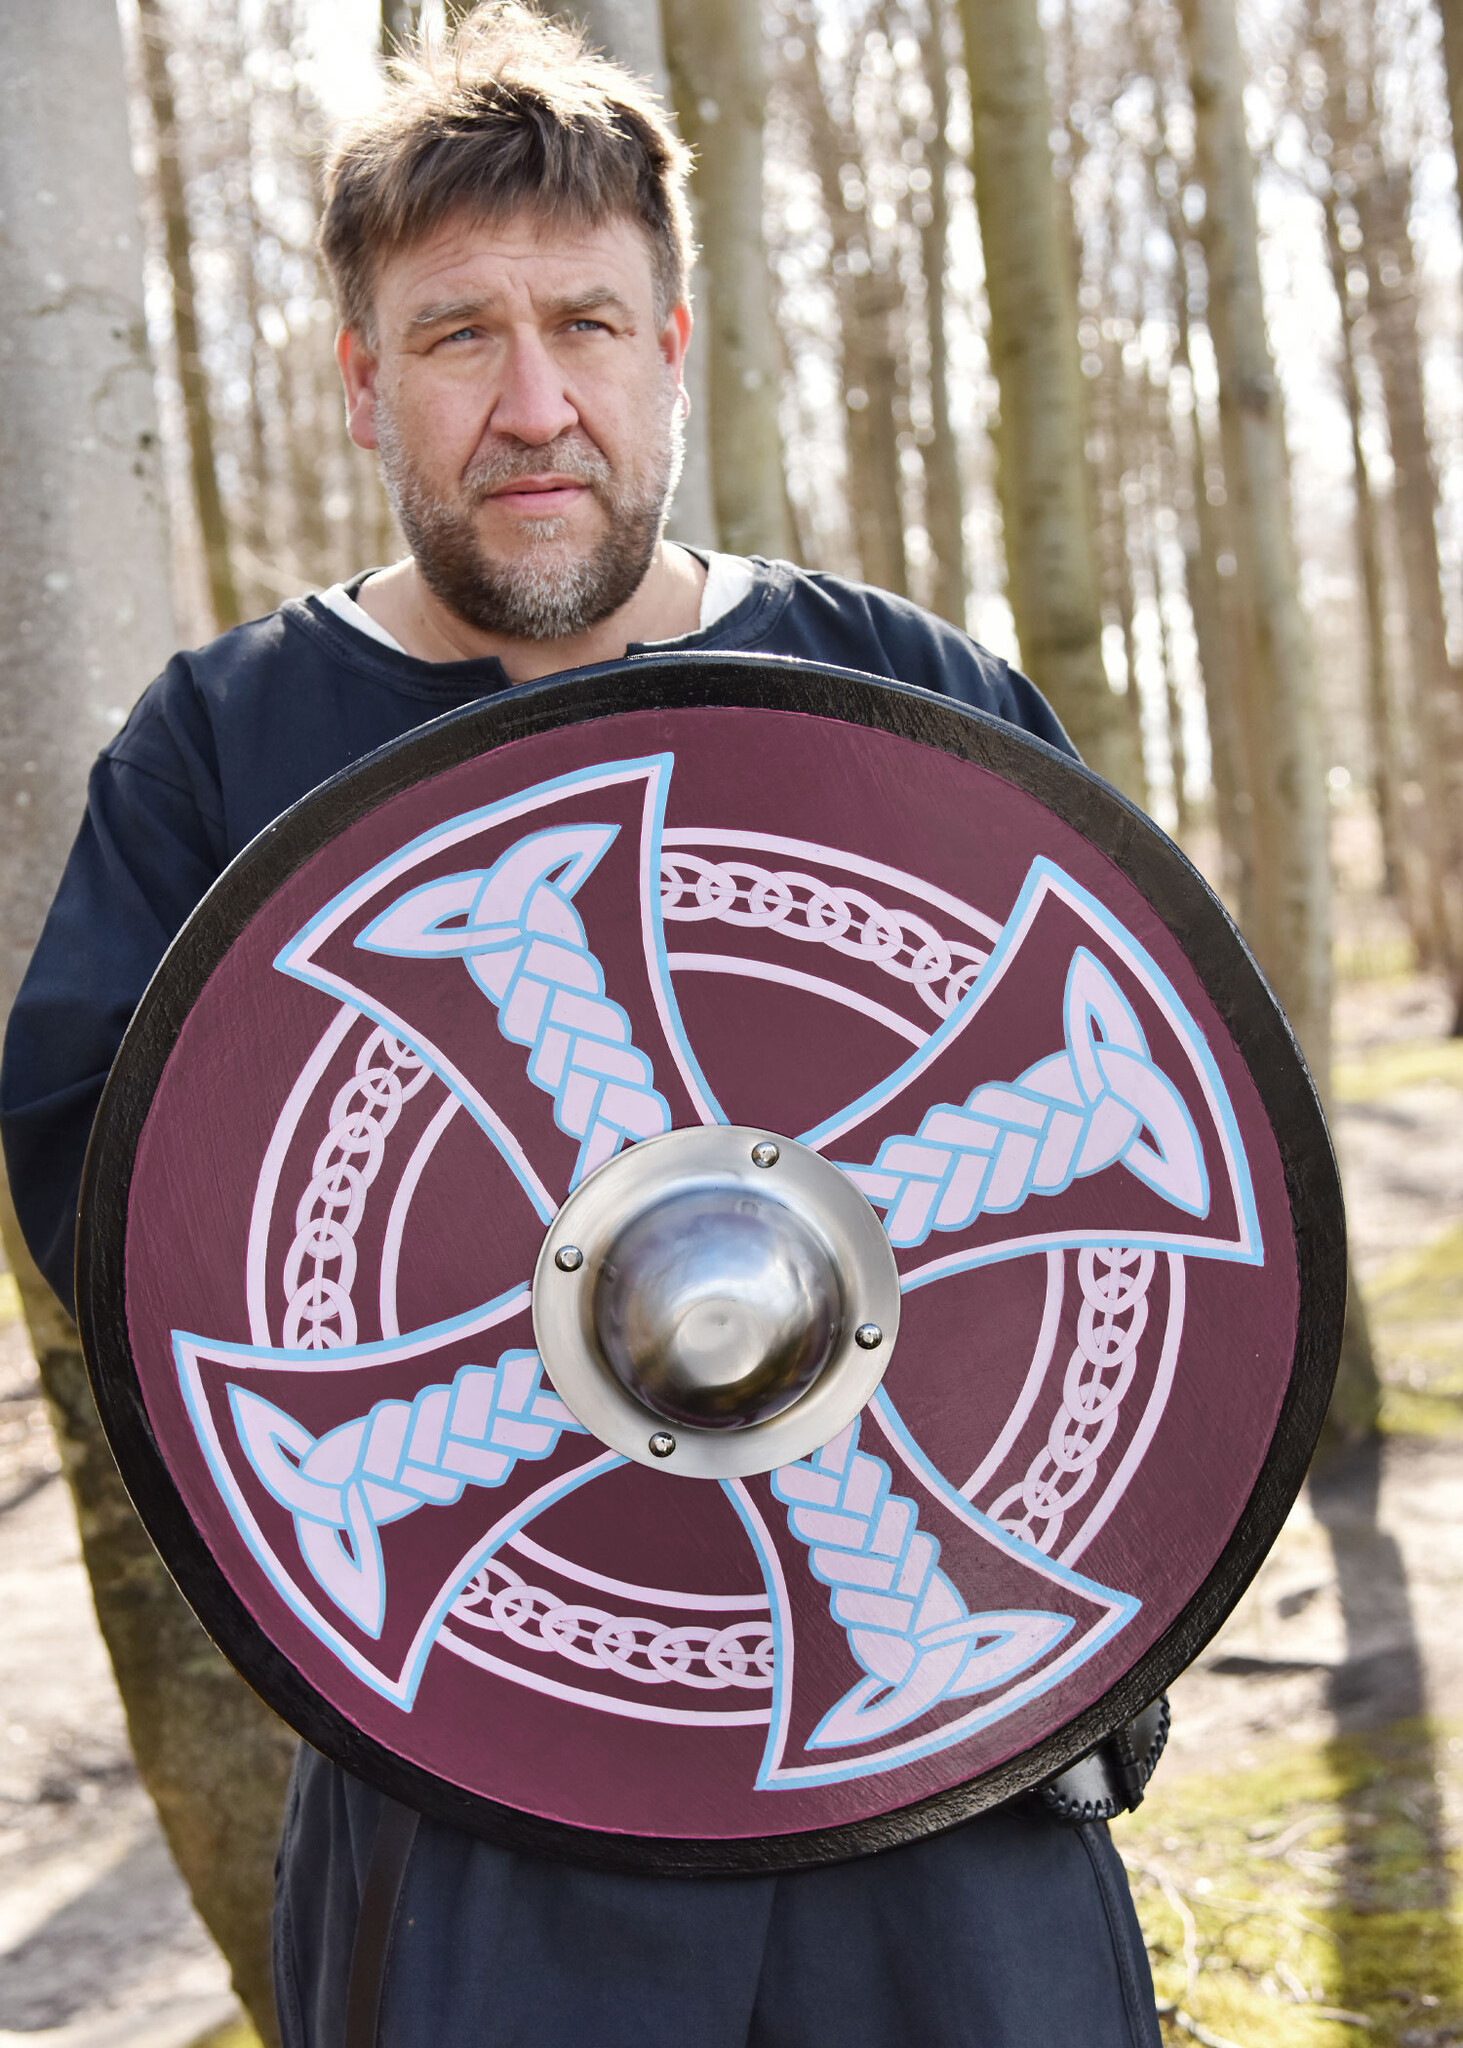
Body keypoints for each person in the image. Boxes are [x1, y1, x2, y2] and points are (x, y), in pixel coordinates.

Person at [0, 7, 1162, 2045]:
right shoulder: (222, 751)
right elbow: (125, 1225)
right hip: (487, 1781)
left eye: (587, 328)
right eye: (458, 338)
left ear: (673, 350)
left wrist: (1091, 1658)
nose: (533, 403)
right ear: (364, 381)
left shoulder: (900, 698)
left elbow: (1153, 1192)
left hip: (927, 1753)